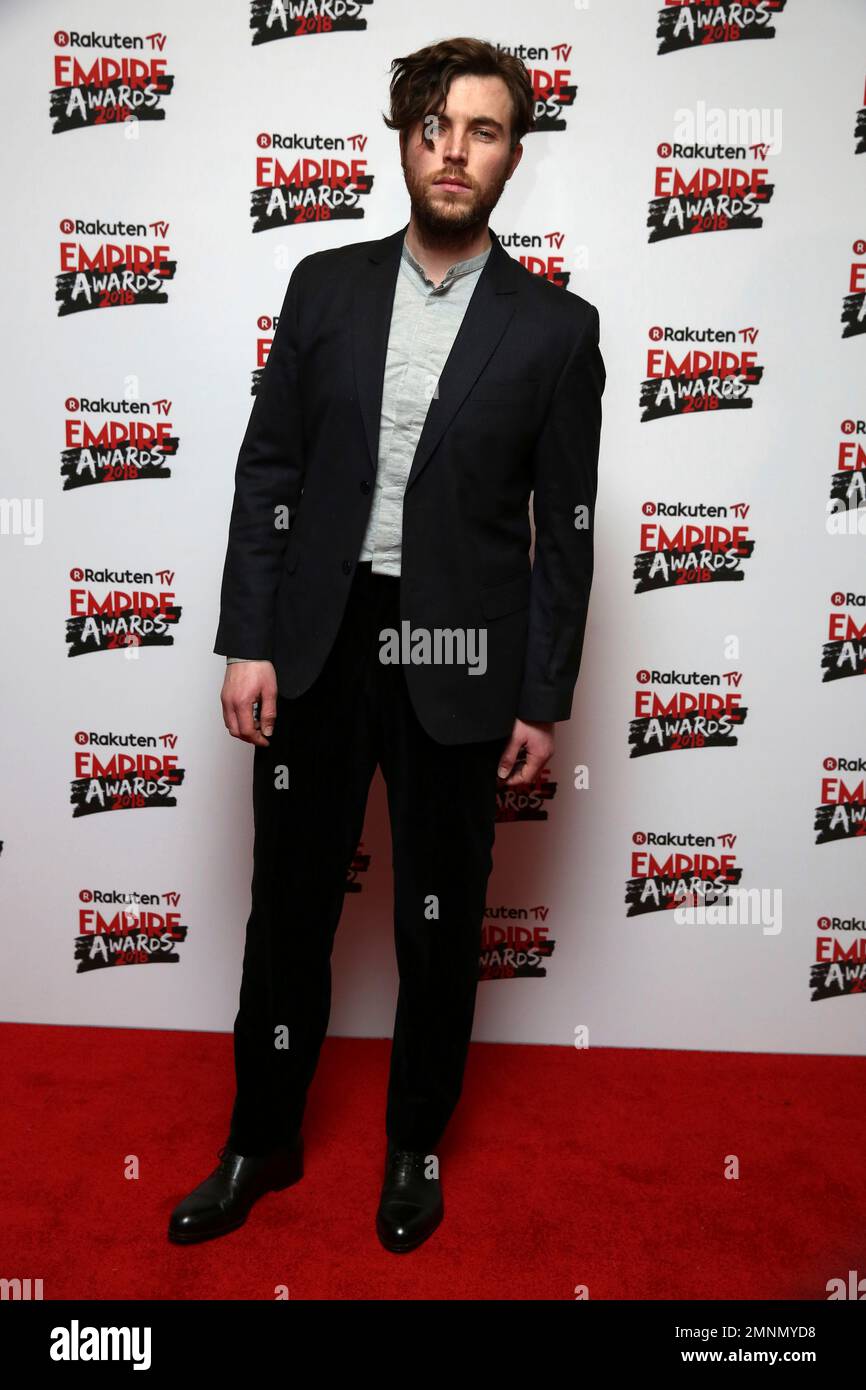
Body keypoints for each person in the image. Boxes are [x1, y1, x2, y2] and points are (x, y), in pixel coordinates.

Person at [168, 35, 605, 1255]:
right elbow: (271, 471)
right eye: (436, 126)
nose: (454, 150)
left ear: (513, 153)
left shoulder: (558, 330)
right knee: (288, 909)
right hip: (319, 638)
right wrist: (248, 636)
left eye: (482, 129)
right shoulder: (323, 286)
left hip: (464, 650)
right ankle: (261, 1136)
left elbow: (561, 532)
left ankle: (414, 1139)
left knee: (435, 918)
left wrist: (541, 692)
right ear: (405, 138)